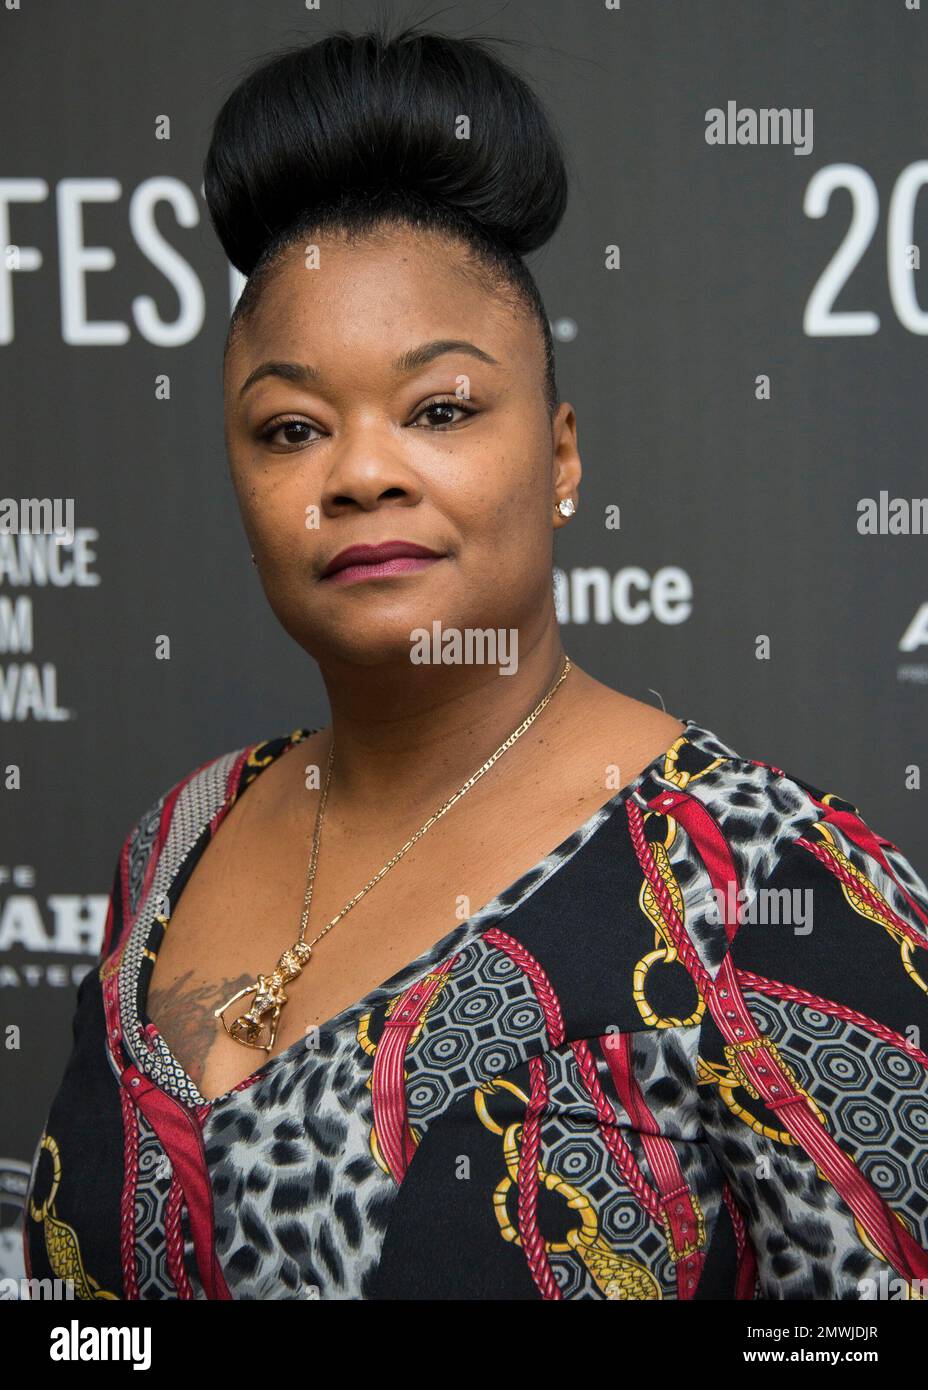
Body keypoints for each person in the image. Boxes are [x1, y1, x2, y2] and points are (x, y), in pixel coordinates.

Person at [22, 24, 928, 1302]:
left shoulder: (765, 888)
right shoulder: (173, 844)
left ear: (560, 457)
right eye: (290, 427)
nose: (361, 470)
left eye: (440, 408)